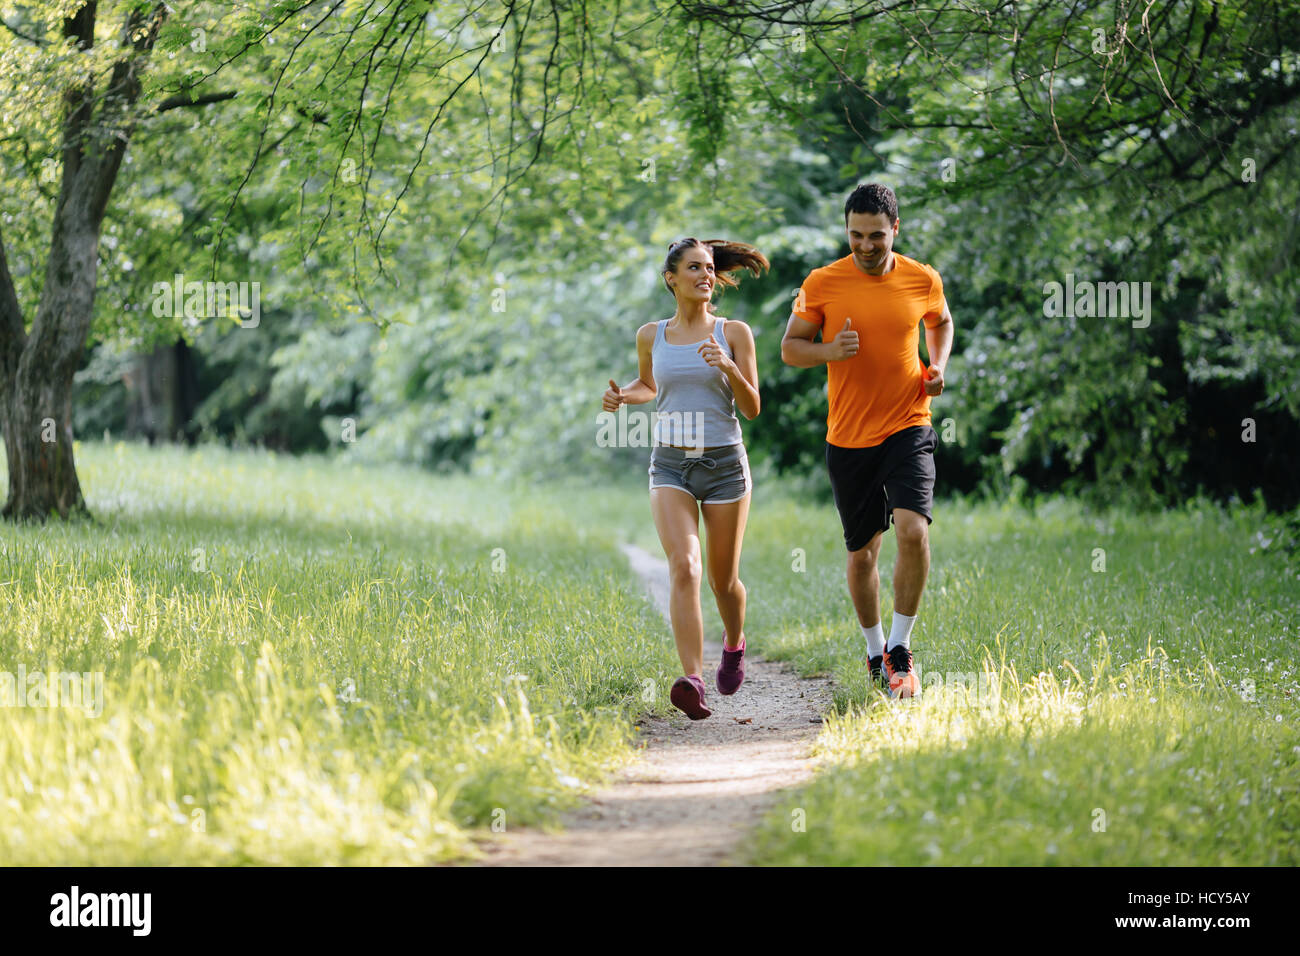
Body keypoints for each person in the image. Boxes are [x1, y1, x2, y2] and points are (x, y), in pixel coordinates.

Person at [780, 183, 954, 699]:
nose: (865, 246)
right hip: (850, 436)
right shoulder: (822, 282)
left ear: (894, 229)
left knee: (913, 532)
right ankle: (875, 651)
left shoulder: (922, 278)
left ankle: (901, 648)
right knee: (862, 556)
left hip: (909, 423)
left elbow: (940, 322)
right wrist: (830, 349)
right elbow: (791, 348)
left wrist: (937, 365)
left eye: (876, 235)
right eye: (855, 235)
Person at [603, 238, 768, 719]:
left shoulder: (733, 331)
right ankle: (693, 679)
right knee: (685, 568)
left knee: (723, 581)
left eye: (710, 268)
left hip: (724, 468)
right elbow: (649, 385)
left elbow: (753, 408)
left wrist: (729, 367)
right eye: (694, 268)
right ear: (671, 278)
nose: (706, 275)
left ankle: (734, 643)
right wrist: (622, 398)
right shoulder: (650, 334)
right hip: (671, 463)